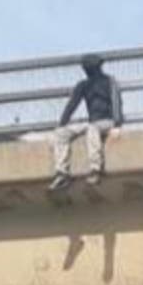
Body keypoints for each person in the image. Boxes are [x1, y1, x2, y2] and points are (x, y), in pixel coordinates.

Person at [49, 54, 123, 191]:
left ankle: (95, 169)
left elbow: (117, 101)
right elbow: (72, 104)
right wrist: (61, 125)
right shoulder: (84, 85)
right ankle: (62, 173)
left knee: (92, 128)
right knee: (61, 134)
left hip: (107, 121)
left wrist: (117, 125)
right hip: (92, 123)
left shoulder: (109, 81)